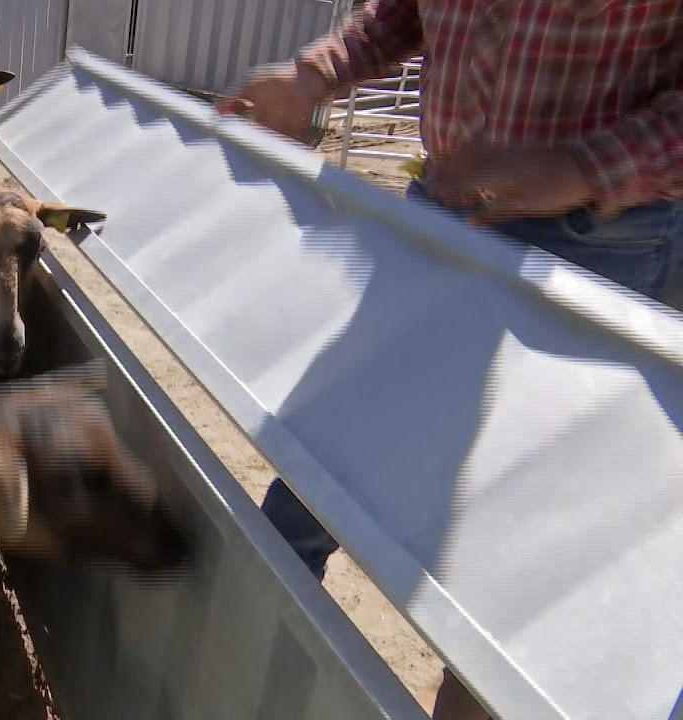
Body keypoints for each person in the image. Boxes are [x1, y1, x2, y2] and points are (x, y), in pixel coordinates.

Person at [217, 1, 683, 718]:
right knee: (325, 461)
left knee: (520, 542)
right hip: (446, 209)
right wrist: (316, 76)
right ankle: (230, 676)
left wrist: (582, 167)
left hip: (594, 238)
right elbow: (406, 9)